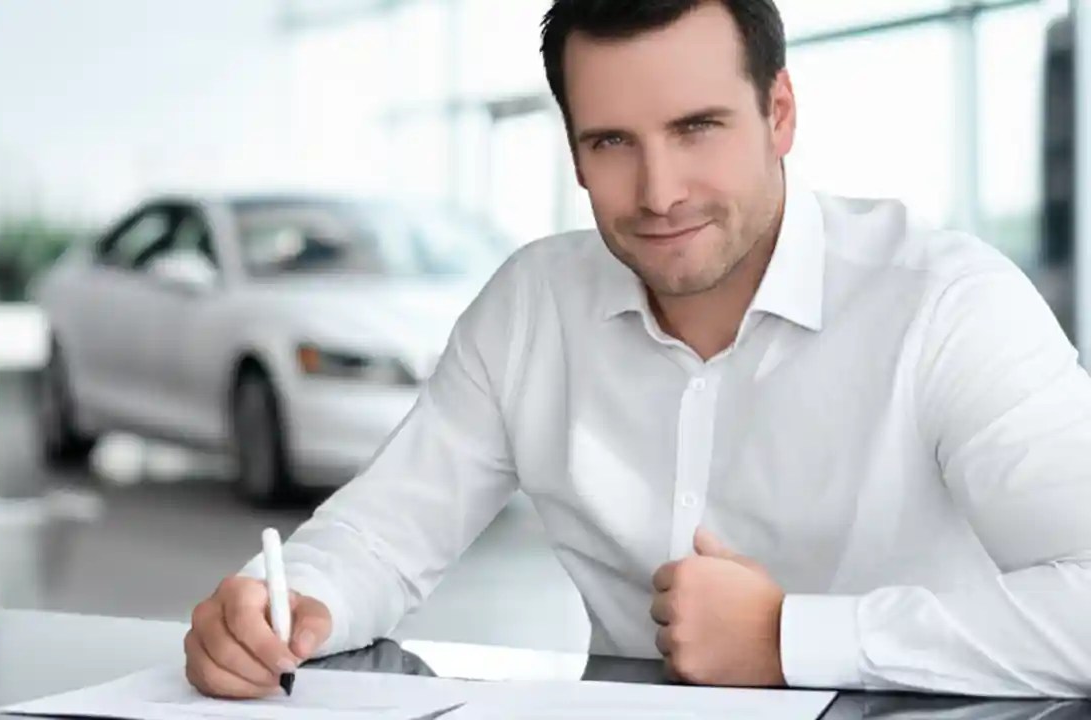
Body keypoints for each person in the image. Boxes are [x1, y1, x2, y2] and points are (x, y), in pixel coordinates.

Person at [185, 0, 1091, 699]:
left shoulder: (946, 303)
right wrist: (285, 605)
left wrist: (793, 639)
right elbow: (380, 538)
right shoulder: (532, 306)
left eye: (697, 128)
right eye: (613, 141)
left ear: (779, 113)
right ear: (575, 152)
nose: (659, 192)